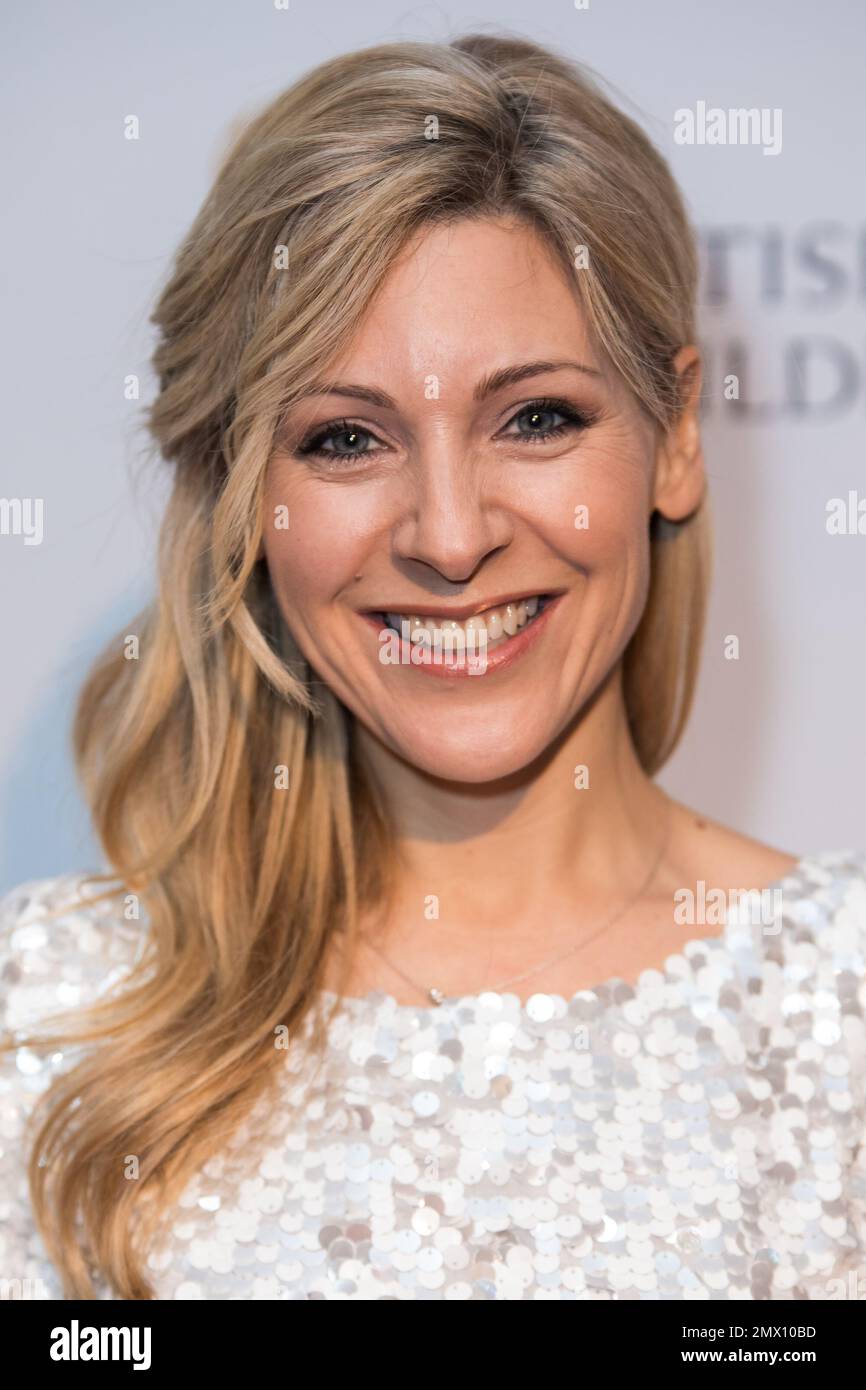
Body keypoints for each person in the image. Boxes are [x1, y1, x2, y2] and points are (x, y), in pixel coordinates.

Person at [2, 31, 864, 1302]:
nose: (450, 537)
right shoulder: (52, 1014)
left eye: (535, 418)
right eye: (345, 438)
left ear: (673, 433)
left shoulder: (841, 1005)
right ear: (246, 497)